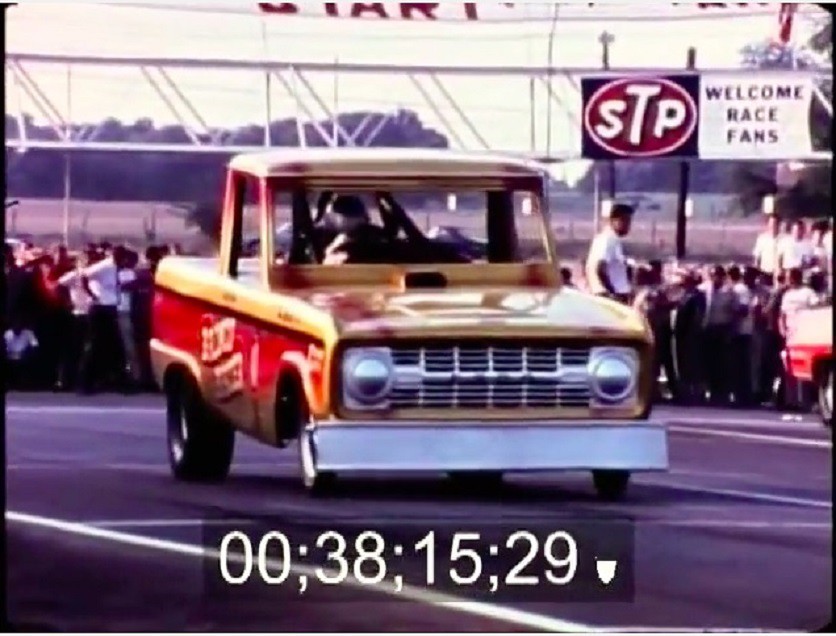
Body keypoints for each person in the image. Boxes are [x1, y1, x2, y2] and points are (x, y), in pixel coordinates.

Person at [700, 265, 739, 406]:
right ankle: (708, 391)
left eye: (718, 275)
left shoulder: (729, 292)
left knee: (722, 364)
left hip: (722, 329)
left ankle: (722, 394)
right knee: (707, 363)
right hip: (707, 329)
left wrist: (731, 330)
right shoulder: (703, 289)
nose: (715, 277)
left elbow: (735, 312)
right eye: (713, 275)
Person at [585, 203, 634, 304]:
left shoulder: (612, 239)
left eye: (629, 222)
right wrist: (611, 294)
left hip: (615, 295)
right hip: (611, 296)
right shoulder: (608, 239)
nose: (628, 226)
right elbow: (599, 268)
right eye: (625, 221)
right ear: (613, 220)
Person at [5, 317, 39, 391]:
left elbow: (35, 345)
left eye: (18, 325)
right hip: (10, 356)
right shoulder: (7, 333)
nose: (17, 327)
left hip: (24, 356)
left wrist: (27, 352)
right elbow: (5, 346)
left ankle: (23, 384)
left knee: (27, 360)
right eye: (15, 325)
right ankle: (10, 384)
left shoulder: (28, 333)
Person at [752, 215, 782, 280]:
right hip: (764, 273)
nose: (773, 226)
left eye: (775, 224)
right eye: (771, 224)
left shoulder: (784, 240)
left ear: (779, 225)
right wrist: (756, 273)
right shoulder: (762, 239)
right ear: (768, 225)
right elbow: (757, 257)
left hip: (779, 275)